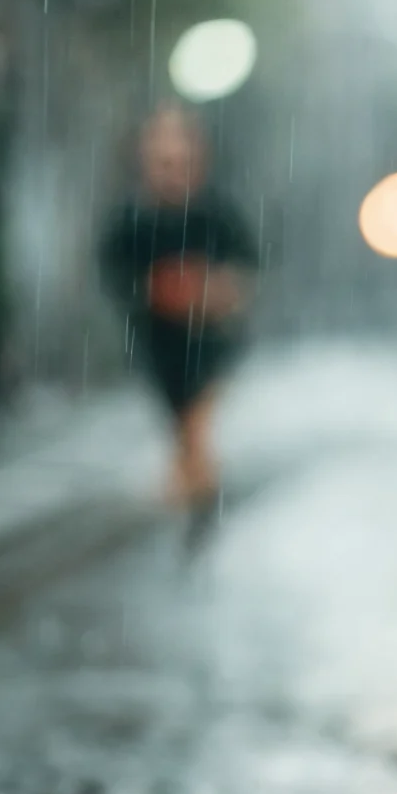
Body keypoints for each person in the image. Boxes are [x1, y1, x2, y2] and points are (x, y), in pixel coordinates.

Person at [99, 105, 257, 508]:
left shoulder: (217, 216)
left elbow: (245, 272)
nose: (172, 172)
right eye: (162, 162)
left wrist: (214, 291)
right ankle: (194, 488)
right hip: (158, 344)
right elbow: (116, 275)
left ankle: (197, 490)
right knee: (183, 429)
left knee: (195, 427)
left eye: (180, 161)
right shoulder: (133, 222)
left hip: (210, 342)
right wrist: (156, 290)